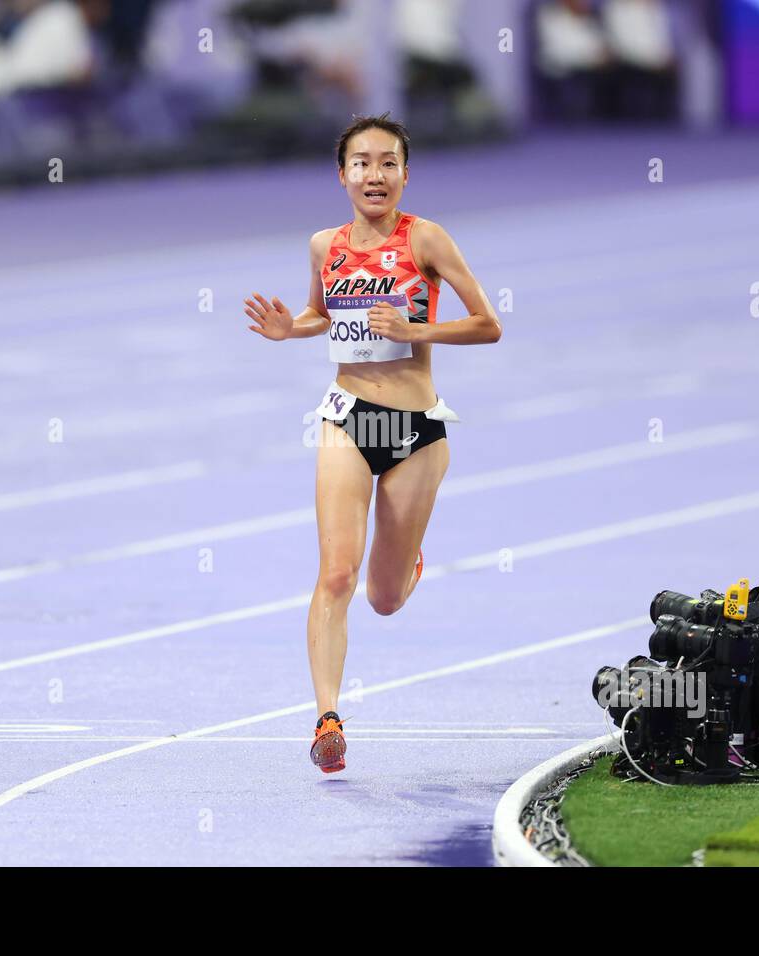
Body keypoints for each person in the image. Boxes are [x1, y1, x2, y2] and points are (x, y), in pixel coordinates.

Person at [244, 113, 502, 773]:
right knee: (336, 573)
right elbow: (321, 313)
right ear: (343, 175)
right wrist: (289, 330)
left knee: (383, 598)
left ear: (405, 175)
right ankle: (327, 716)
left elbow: (487, 325)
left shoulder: (428, 240)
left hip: (416, 431)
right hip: (349, 417)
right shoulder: (323, 245)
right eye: (362, 162)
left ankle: (407, 563)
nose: (375, 174)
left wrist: (419, 331)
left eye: (388, 162)